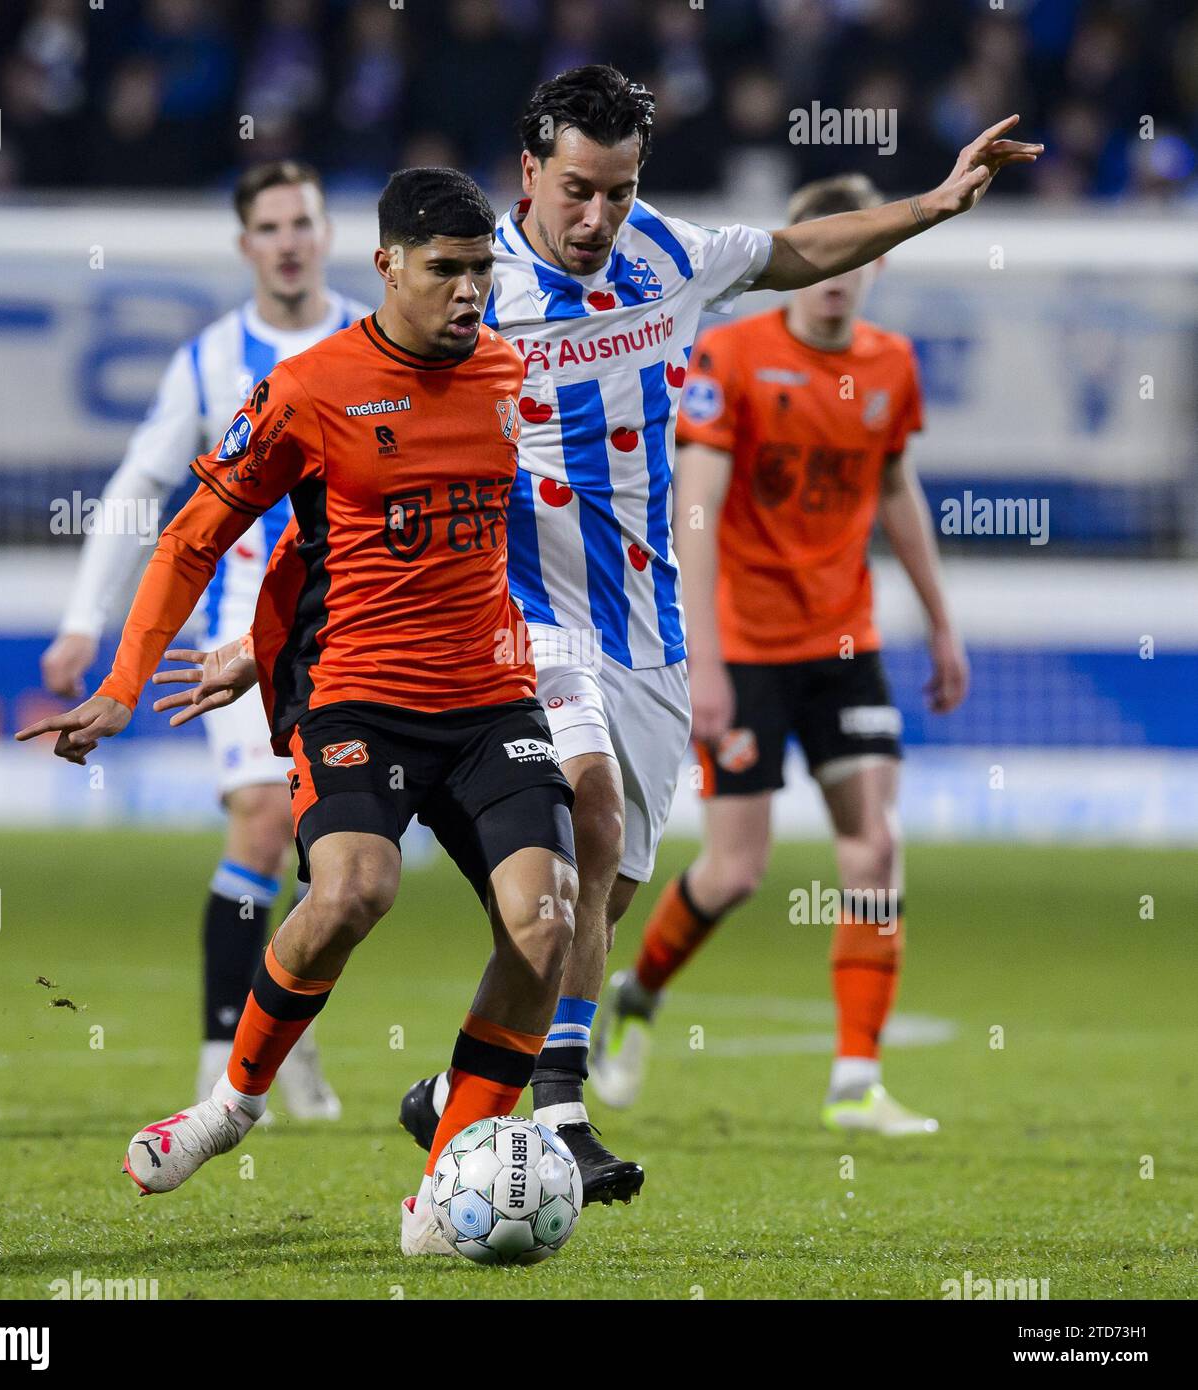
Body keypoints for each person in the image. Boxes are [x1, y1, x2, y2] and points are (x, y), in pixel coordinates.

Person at [395, 66, 1040, 1195]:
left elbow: (796, 252)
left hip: (647, 628)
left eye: (621, 190)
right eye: (580, 191)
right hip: (525, 617)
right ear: (530, 172)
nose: (599, 218)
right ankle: (556, 1112)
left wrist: (932, 206)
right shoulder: (472, 288)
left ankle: (459, 1090)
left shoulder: (667, 254)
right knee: (588, 821)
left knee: (608, 882)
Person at [16, 167, 578, 1258]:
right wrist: (129, 684)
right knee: (354, 889)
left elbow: (403, 534)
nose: (470, 293)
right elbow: (196, 539)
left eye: (482, 271)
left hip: (488, 696)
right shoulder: (307, 388)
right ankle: (231, 1101)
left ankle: (441, 1192)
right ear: (386, 266)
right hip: (355, 692)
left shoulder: (512, 371)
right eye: (446, 271)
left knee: (546, 922)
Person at [591, 173, 970, 1134]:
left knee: (875, 845)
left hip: (846, 644)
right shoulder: (733, 356)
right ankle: (637, 993)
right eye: (818, 254)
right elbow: (699, 514)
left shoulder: (891, 366)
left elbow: (896, 495)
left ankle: (856, 1082)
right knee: (736, 873)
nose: (836, 279)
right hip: (748, 647)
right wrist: (708, 661)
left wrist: (941, 618)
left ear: (874, 261)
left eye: (854, 261)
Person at [40, 160, 368, 1119]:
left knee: (337, 854)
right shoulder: (212, 359)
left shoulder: (372, 338)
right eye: (270, 226)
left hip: (352, 629)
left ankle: (284, 1042)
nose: (290, 240)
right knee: (264, 822)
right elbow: (143, 488)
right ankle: (223, 1057)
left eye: (303, 220)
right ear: (246, 245)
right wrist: (82, 621)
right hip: (243, 631)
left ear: (327, 232)